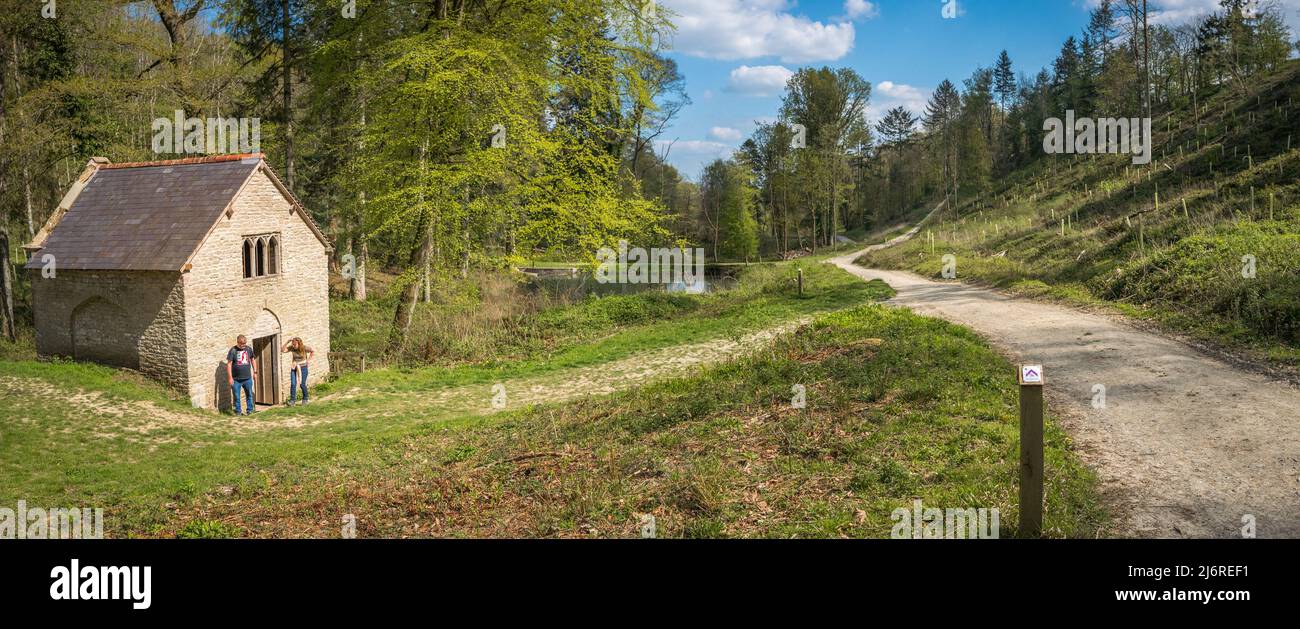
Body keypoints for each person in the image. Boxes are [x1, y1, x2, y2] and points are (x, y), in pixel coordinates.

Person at [226, 335, 258, 415]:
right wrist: (230, 378)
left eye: (245, 344)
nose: (244, 345)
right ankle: (238, 412)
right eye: (242, 344)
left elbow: (252, 360)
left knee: (249, 395)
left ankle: (250, 410)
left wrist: (255, 372)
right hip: (236, 380)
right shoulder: (233, 351)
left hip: (247, 378)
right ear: (238, 342)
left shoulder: (248, 349)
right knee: (237, 397)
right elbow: (229, 364)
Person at [281, 337, 314, 406]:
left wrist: (308, 360)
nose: (293, 346)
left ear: (299, 343)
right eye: (293, 344)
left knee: (302, 384)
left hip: (303, 368)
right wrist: (287, 342)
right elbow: (282, 350)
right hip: (294, 368)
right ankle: (292, 401)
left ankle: (305, 399)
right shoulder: (292, 348)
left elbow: (312, 351)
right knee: (293, 384)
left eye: (295, 344)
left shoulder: (304, 348)